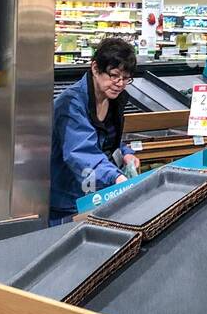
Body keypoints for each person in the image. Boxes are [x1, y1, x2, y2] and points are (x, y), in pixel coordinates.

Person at [49, 37, 141, 224]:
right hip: (67, 201)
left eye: (125, 78)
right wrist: (116, 177)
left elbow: (103, 138)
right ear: (95, 68)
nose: (120, 83)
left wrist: (125, 153)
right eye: (114, 75)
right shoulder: (70, 105)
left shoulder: (115, 99)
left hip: (94, 195)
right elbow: (81, 152)